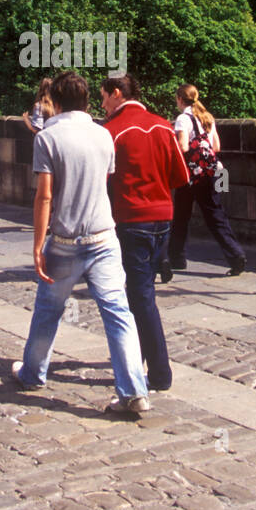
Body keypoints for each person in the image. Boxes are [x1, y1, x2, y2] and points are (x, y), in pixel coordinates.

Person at [10, 71, 151, 413]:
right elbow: (103, 182)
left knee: (48, 309)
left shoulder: (48, 137)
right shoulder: (104, 135)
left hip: (65, 239)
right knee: (118, 312)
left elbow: (45, 196)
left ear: (55, 102)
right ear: (87, 100)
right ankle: (134, 391)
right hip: (104, 235)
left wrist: (37, 245)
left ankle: (33, 373)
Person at [101, 75, 190, 392]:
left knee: (140, 297)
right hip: (163, 217)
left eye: (104, 98)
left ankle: (160, 372)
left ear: (116, 94)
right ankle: (136, 359)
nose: (102, 105)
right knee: (141, 293)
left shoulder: (111, 131)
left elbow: (102, 182)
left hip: (131, 219)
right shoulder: (163, 125)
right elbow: (180, 176)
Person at [168, 83, 247, 277]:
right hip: (210, 173)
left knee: (180, 217)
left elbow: (183, 147)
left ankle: (177, 258)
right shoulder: (207, 117)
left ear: (180, 99)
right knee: (215, 215)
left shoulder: (182, 119)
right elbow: (216, 147)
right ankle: (236, 255)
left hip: (190, 175)